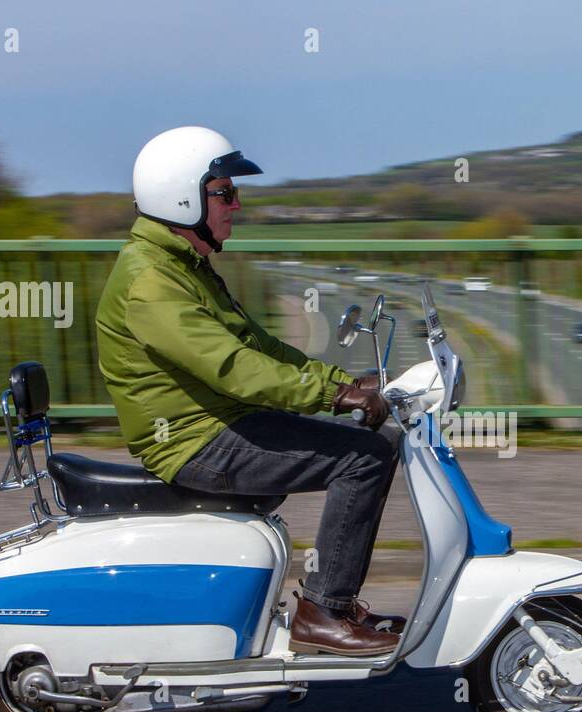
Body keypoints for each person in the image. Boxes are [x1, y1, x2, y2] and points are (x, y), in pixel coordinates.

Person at [95, 126, 404, 657]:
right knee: (365, 456)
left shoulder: (182, 265)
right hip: (194, 439)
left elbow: (259, 345)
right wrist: (332, 398)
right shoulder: (151, 281)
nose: (236, 206)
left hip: (219, 422)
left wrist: (341, 383)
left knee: (380, 443)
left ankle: (331, 605)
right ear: (182, 196)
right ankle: (324, 611)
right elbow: (234, 368)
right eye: (225, 193)